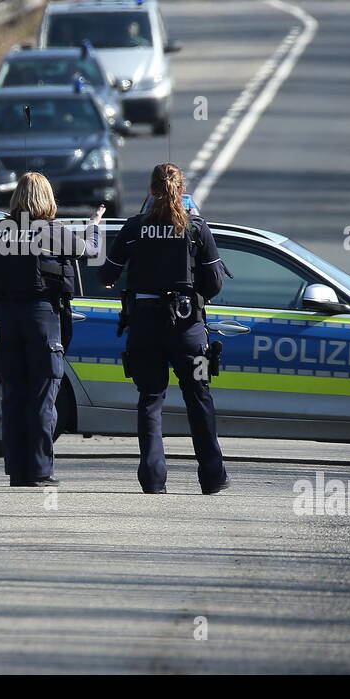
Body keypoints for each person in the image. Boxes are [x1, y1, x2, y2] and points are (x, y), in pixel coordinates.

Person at [99, 163, 230, 495]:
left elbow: (105, 276)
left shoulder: (134, 227)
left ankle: (154, 479)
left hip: (144, 325)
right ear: (181, 189)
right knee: (199, 397)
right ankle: (212, 477)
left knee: (151, 399)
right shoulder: (196, 228)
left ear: (150, 189)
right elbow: (214, 285)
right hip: (188, 329)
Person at [0, 173, 103, 487]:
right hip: (43, 319)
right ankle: (40, 471)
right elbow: (91, 252)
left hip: (7, 320)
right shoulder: (52, 232)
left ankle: (18, 471)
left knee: (13, 396)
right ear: (48, 199)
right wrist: (94, 226)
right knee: (43, 398)